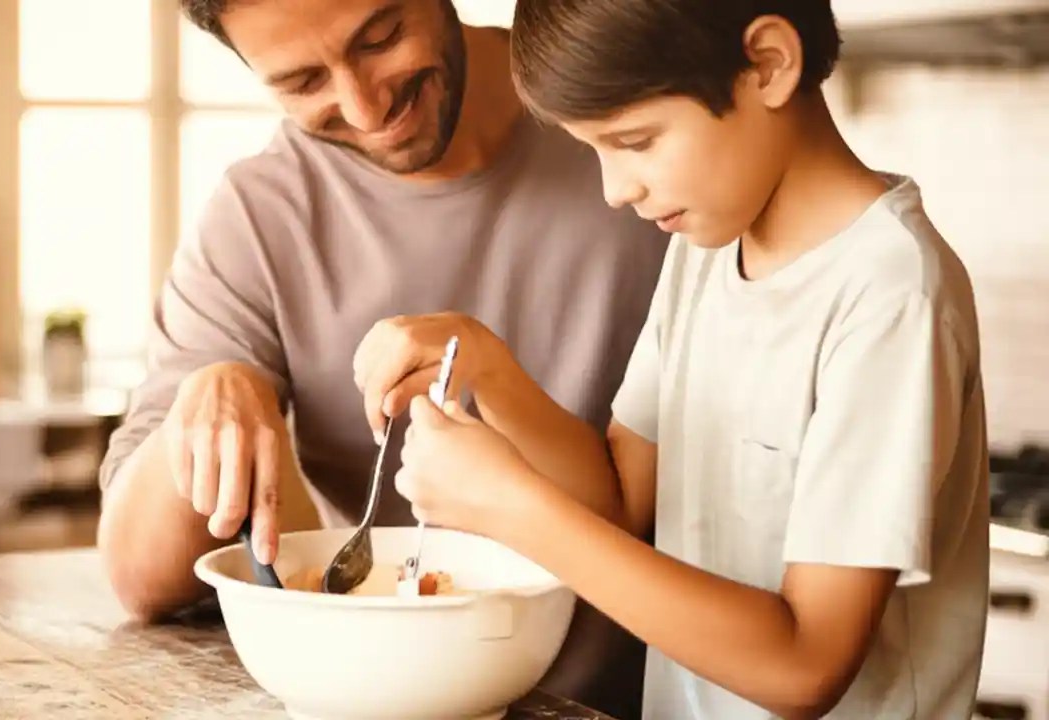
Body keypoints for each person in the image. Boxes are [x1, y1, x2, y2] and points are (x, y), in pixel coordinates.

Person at [392, 1, 991, 718]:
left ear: (768, 64)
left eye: (636, 141)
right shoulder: (707, 251)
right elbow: (619, 500)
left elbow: (806, 666)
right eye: (596, 151)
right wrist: (488, 370)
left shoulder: (890, 294)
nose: (616, 190)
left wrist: (513, 509)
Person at [95, 0, 668, 715]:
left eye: (382, 37)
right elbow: (139, 578)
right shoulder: (261, 215)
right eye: (303, 82)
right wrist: (212, 392)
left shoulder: (638, 128)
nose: (366, 110)